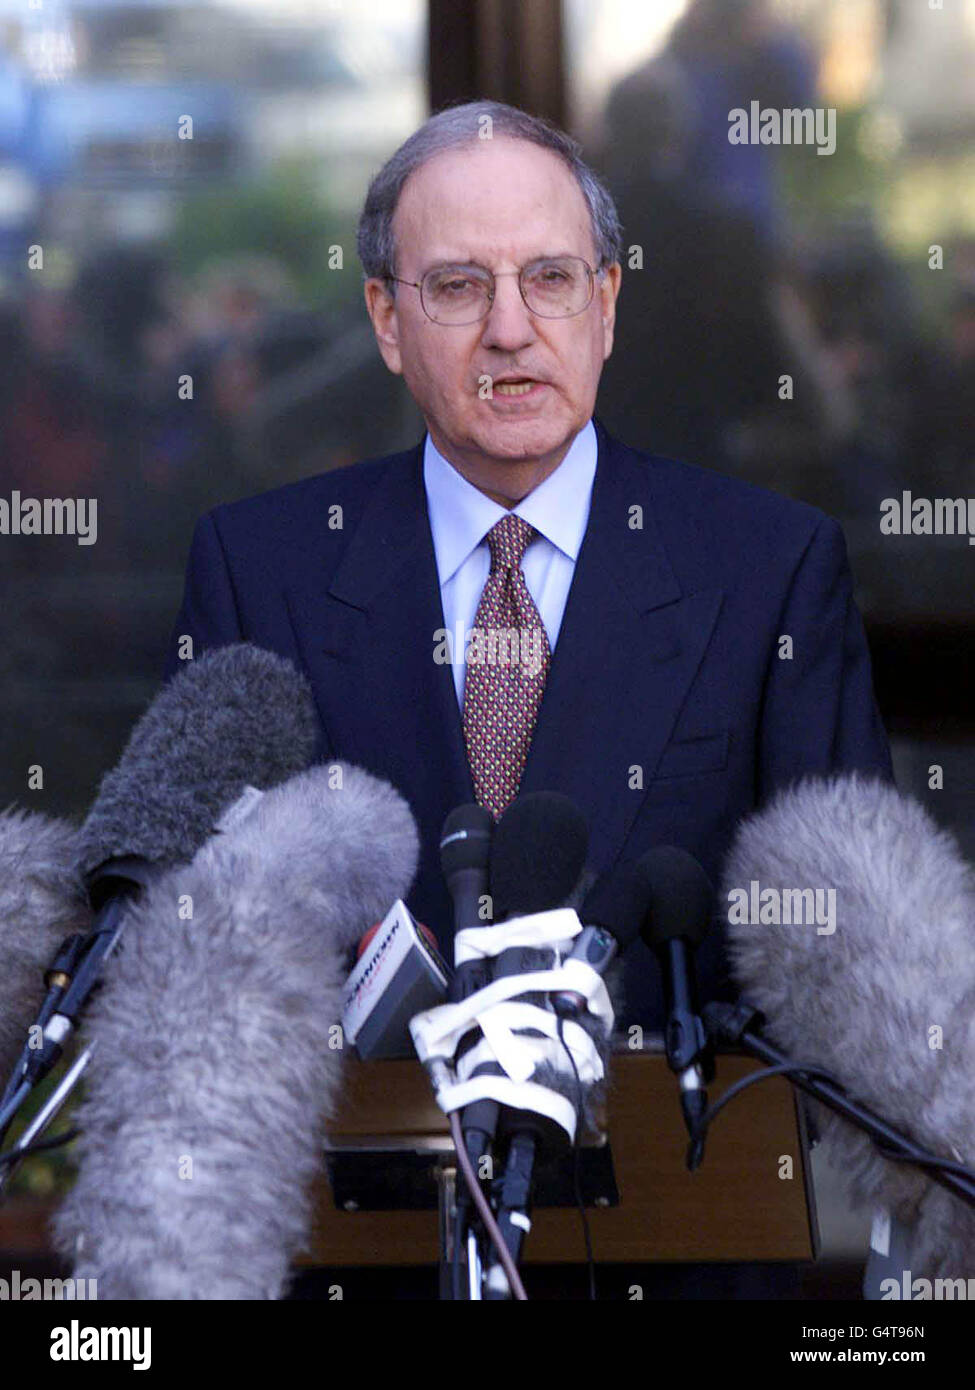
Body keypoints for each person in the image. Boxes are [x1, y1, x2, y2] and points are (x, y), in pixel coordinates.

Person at [164, 102, 892, 1296]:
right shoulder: (263, 568)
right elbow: (198, 956)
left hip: (681, 1263)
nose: (511, 330)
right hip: (367, 1262)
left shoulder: (769, 567)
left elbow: (850, 969)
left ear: (606, 303)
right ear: (387, 321)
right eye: (456, 287)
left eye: (549, 279)